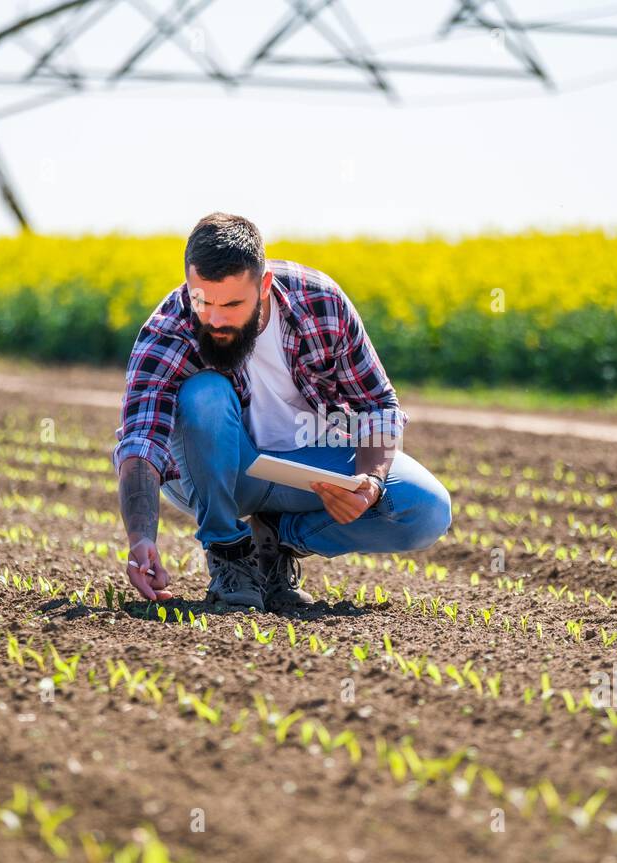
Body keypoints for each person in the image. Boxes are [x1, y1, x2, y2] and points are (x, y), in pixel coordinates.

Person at [111, 212, 452, 612]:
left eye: (234, 304)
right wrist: (140, 538)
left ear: (265, 285)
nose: (215, 319)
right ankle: (228, 553)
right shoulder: (170, 326)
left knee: (425, 508)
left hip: (307, 470)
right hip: (218, 475)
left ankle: (277, 538)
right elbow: (141, 441)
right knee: (204, 392)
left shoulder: (320, 303)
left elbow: (375, 405)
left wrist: (371, 482)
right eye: (202, 300)